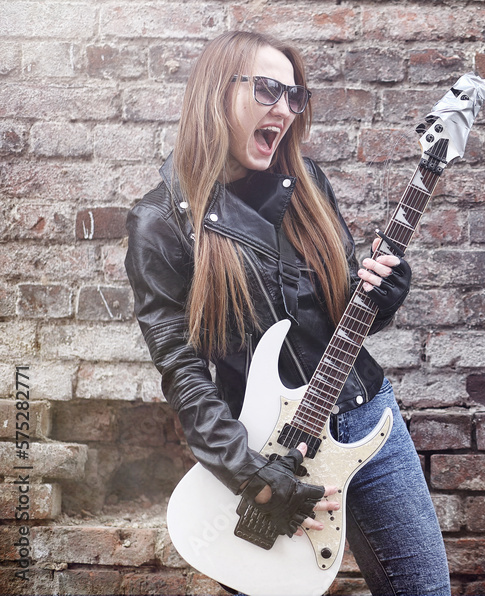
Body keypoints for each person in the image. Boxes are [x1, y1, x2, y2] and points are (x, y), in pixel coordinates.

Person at [124, 30, 450, 595]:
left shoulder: (306, 183)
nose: (285, 109)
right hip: (266, 451)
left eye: (295, 97)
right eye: (270, 89)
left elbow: (345, 315)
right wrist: (251, 472)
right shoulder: (160, 224)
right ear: (215, 93)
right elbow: (182, 370)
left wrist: (385, 292)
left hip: (365, 419)